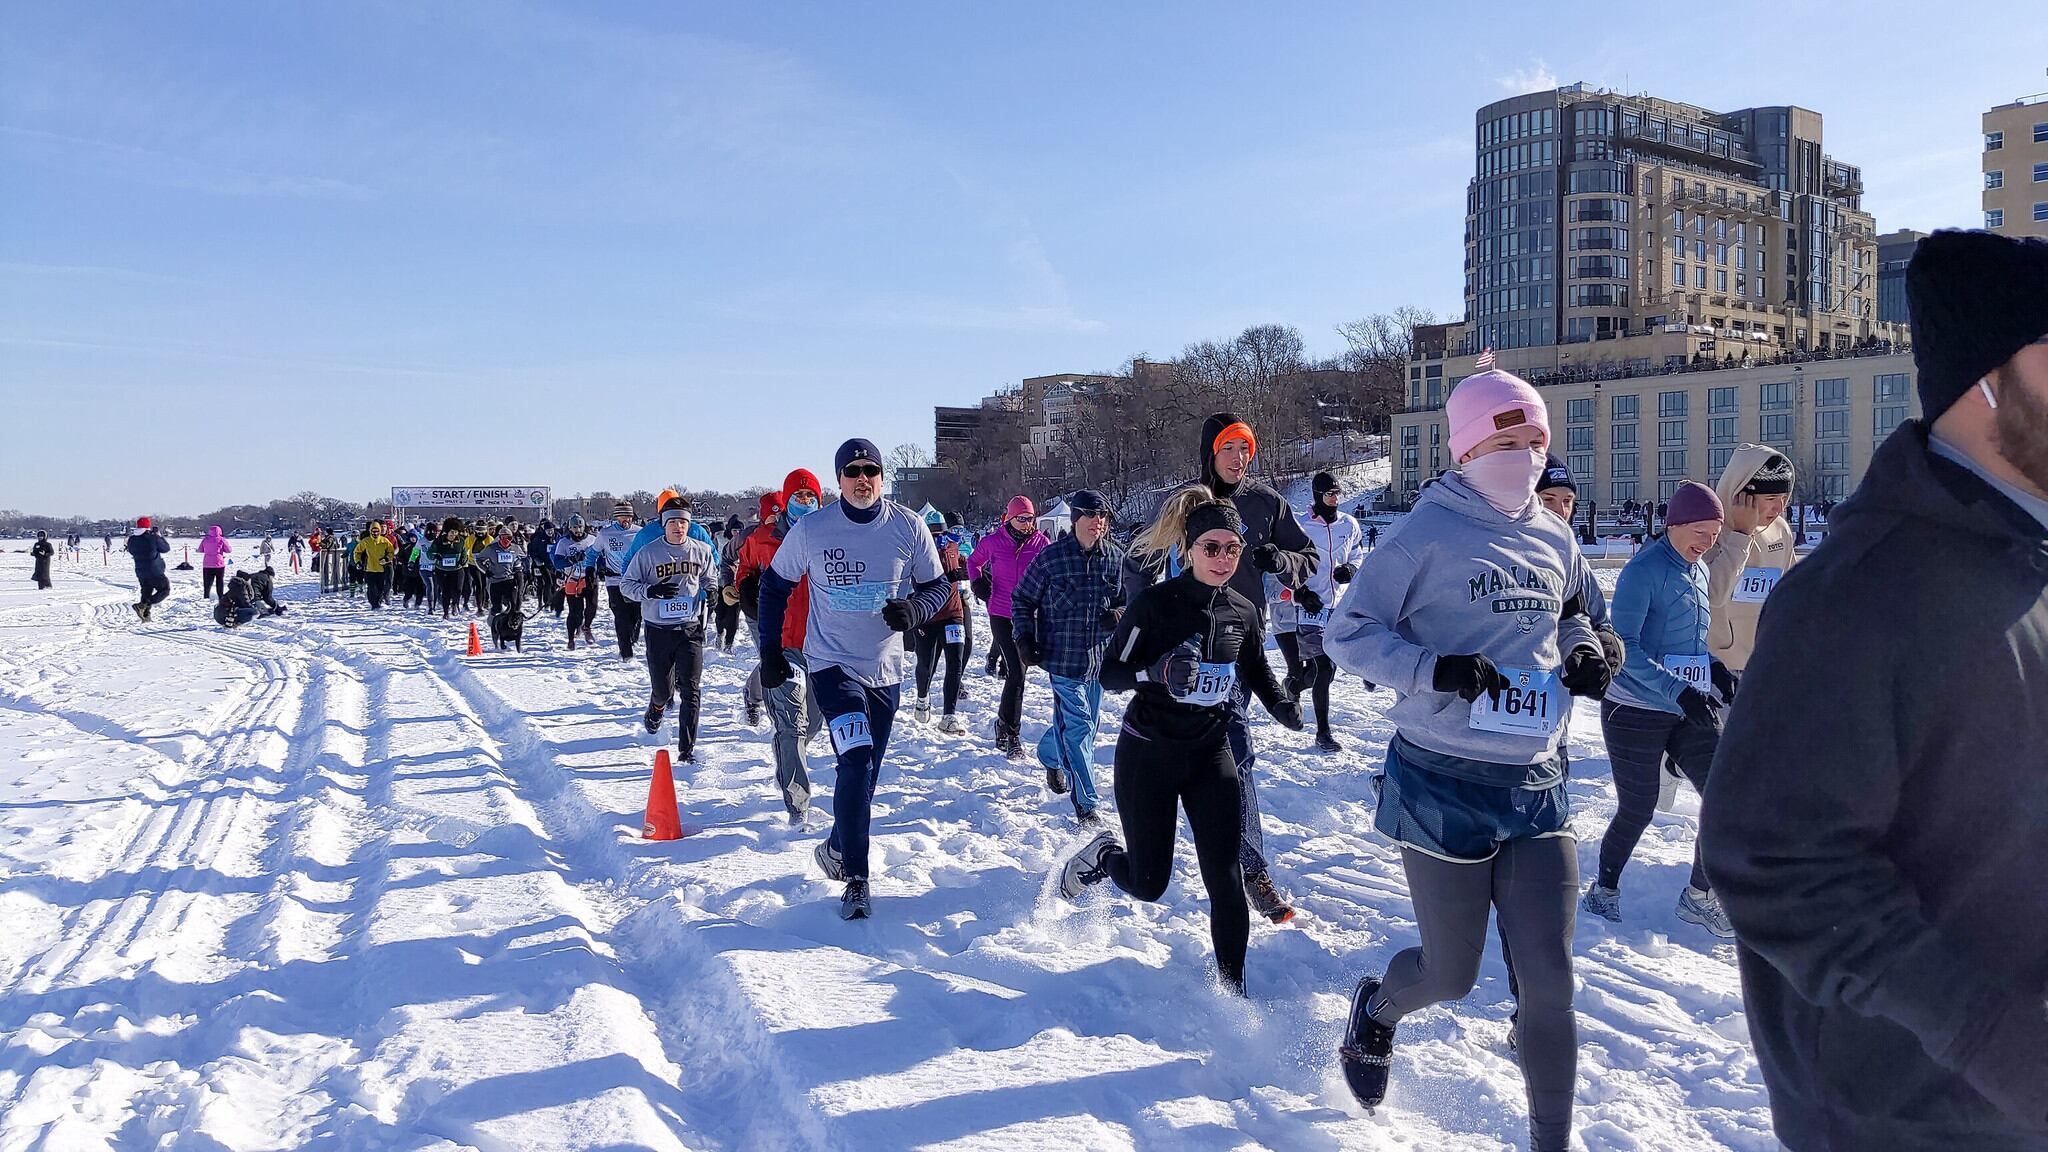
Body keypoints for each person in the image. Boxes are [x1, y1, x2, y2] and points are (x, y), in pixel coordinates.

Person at [1702, 230, 2048, 1152]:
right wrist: (1993, 1033)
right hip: (1901, 1113)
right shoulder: (1861, 591)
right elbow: (1771, 859)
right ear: (1985, 384)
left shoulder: (2032, 562)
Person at [1324, 369, 1610, 1151]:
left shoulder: (1555, 533)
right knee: (1451, 975)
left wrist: (1589, 652)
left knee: (1550, 985)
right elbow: (1345, 634)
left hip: (1536, 782)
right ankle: (1378, 1010)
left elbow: (1580, 611)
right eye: (1505, 441)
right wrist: (1434, 669)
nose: (1522, 456)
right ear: (1466, 447)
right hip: (1443, 778)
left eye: (1534, 442)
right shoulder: (1422, 535)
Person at [1057, 498, 1302, 993]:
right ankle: (1104, 858)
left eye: (1233, 548)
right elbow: (1111, 674)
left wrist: (1284, 707)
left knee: (1226, 878)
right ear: (1189, 550)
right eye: (1211, 547)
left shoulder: (1243, 610)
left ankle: (1233, 996)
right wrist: (1161, 670)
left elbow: (1256, 670)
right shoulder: (1155, 605)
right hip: (1149, 751)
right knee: (1150, 884)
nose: (1223, 558)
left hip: (1211, 752)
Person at [759, 438, 951, 920]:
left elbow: (939, 587)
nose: (862, 479)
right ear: (839, 479)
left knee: (865, 774)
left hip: (885, 670)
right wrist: (769, 654)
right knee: (857, 758)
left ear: (881, 476)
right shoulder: (813, 528)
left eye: (870, 470)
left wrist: (915, 608)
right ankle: (857, 879)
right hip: (831, 664)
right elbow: (774, 587)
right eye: (852, 472)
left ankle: (837, 847)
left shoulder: (908, 526)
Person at [1582, 481, 1734, 938]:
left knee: (1725, 796)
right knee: (1639, 807)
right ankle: (1604, 888)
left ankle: (1699, 895)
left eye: (1714, 535)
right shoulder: (1642, 571)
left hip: (1685, 703)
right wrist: (1678, 691)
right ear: (1675, 525)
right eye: (1700, 533)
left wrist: (1717, 670)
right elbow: (1625, 647)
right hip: (1634, 708)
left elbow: (1685, 643)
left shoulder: (1699, 571)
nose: (1707, 544)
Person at [1190, 411, 1319, 925]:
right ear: (1210, 453)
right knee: (1197, 754)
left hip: (1244, 643)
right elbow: (1140, 559)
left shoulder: (1266, 503)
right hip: (1191, 645)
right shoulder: (1189, 504)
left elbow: (1307, 555)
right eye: (1229, 448)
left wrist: (1279, 563)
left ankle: (1251, 870)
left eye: (1246, 448)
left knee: (1237, 751)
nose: (1240, 458)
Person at [1011, 489, 1128, 820]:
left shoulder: (1115, 559)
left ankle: (1049, 754)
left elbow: (1126, 600)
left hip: (1097, 660)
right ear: (1076, 518)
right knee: (1078, 730)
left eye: (1103, 516)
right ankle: (1087, 806)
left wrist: (1117, 615)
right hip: (1062, 660)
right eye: (1091, 516)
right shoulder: (1051, 558)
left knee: (1086, 727)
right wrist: (1024, 638)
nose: (1098, 522)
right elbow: (1021, 599)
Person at [737, 468, 826, 818]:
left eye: (811, 497)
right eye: (798, 497)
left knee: (814, 723)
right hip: (782, 643)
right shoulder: (761, 539)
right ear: (786, 501)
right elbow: (744, 568)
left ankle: (790, 755)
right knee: (792, 724)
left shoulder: (830, 536)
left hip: (822, 644)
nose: (805, 503)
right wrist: (745, 588)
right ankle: (797, 806)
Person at [621, 499, 716, 761]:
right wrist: (651, 591)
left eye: (683, 522)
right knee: (663, 689)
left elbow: (709, 576)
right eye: (673, 522)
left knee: (691, 690)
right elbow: (627, 586)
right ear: (664, 525)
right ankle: (656, 707)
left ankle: (687, 750)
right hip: (659, 629)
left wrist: (712, 590)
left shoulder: (701, 550)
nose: (678, 527)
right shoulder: (649, 553)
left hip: (690, 628)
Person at [1701, 446, 1797, 694]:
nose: (1778, 509)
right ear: (1740, 496)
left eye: (1784, 499)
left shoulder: (1780, 530)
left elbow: (1791, 595)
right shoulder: (1709, 532)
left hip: (1766, 664)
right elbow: (1713, 595)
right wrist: (1741, 536)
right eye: (1770, 500)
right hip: (1717, 669)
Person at [968, 496, 1051, 759]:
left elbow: (1051, 573)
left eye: (1030, 518)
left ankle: (1003, 724)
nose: (1027, 524)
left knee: (1018, 674)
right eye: (1021, 518)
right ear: (1010, 518)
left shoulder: (1041, 543)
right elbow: (973, 562)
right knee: (1016, 672)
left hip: (1028, 615)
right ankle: (1013, 735)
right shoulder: (994, 541)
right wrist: (978, 583)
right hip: (1001, 613)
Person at [1293, 471, 1366, 753]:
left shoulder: (1350, 524)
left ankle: (1295, 686)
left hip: (1340, 607)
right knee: (1326, 667)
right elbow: (1288, 566)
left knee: (1318, 673)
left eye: (1337, 494)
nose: (1335, 500)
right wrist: (1299, 592)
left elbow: (1357, 554)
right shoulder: (1301, 527)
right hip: (1311, 606)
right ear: (1317, 496)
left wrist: (1352, 569)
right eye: (1329, 495)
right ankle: (1323, 733)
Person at [910, 508, 970, 733]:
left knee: (955, 660)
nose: (941, 541)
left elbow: (962, 562)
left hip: (953, 613)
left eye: (944, 535)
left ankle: (949, 715)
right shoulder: (920, 551)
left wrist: (968, 570)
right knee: (926, 663)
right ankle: (922, 697)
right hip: (928, 616)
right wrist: (948, 577)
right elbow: (917, 582)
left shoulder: (952, 546)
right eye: (935, 536)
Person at [595, 501, 643, 661]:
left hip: (635, 580)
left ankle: (632, 639)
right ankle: (626, 653)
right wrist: (591, 568)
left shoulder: (640, 533)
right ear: (617, 517)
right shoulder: (605, 533)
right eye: (623, 516)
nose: (626, 519)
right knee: (621, 616)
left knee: (636, 615)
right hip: (614, 580)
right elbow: (593, 552)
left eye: (629, 516)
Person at [552, 513, 605, 649]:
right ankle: (571, 638)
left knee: (592, 607)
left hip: (589, 578)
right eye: (575, 527)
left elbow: (601, 558)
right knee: (575, 611)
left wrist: (602, 568)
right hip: (572, 580)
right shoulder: (564, 542)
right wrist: (570, 559)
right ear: (570, 528)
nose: (578, 530)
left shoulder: (593, 540)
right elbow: (557, 562)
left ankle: (586, 627)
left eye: (580, 526)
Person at [126, 517, 171, 620]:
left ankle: (145, 615)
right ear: (147, 527)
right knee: (165, 590)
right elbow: (166, 548)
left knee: (146, 591)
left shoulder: (132, 539)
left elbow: (131, 551)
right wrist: (159, 537)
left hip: (140, 570)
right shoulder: (153, 538)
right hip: (154, 570)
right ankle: (142, 605)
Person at [427, 517, 471, 619]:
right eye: (451, 532)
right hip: (442, 570)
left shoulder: (461, 541)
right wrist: (435, 556)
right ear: (446, 532)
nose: (453, 535)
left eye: (455, 532)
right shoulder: (438, 542)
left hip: (457, 569)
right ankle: (446, 612)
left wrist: (463, 560)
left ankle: (455, 604)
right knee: (445, 591)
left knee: (458, 589)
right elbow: (429, 553)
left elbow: (464, 553)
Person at [477, 526, 524, 619]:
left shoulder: (515, 548)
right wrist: (486, 571)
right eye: (503, 537)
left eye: (509, 538)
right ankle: (493, 622)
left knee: (513, 605)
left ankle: (510, 624)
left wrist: (518, 568)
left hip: (509, 580)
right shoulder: (491, 548)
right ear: (499, 537)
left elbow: (521, 558)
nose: (506, 540)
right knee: (497, 608)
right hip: (495, 581)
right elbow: (478, 559)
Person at [352, 522, 395, 610]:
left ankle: (378, 603)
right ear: (370, 531)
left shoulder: (384, 541)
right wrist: (358, 562)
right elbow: (357, 552)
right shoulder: (366, 541)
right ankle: (373, 604)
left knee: (380, 588)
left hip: (381, 569)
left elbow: (391, 552)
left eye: (377, 531)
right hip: (369, 568)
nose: (375, 533)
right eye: (373, 531)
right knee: (371, 587)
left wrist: (387, 559)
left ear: (379, 531)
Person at [527, 519, 560, 615]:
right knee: (546, 582)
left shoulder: (557, 537)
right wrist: (536, 559)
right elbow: (532, 550)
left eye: (552, 530)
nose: (550, 532)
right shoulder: (538, 538)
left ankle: (553, 603)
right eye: (548, 530)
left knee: (554, 583)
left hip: (554, 564)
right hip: (542, 564)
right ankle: (545, 602)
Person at [198, 525, 233, 599]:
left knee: (207, 582)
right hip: (219, 563)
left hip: (207, 564)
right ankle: (220, 596)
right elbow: (229, 550)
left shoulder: (205, 540)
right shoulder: (221, 540)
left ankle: (206, 596)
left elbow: (200, 550)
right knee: (219, 581)